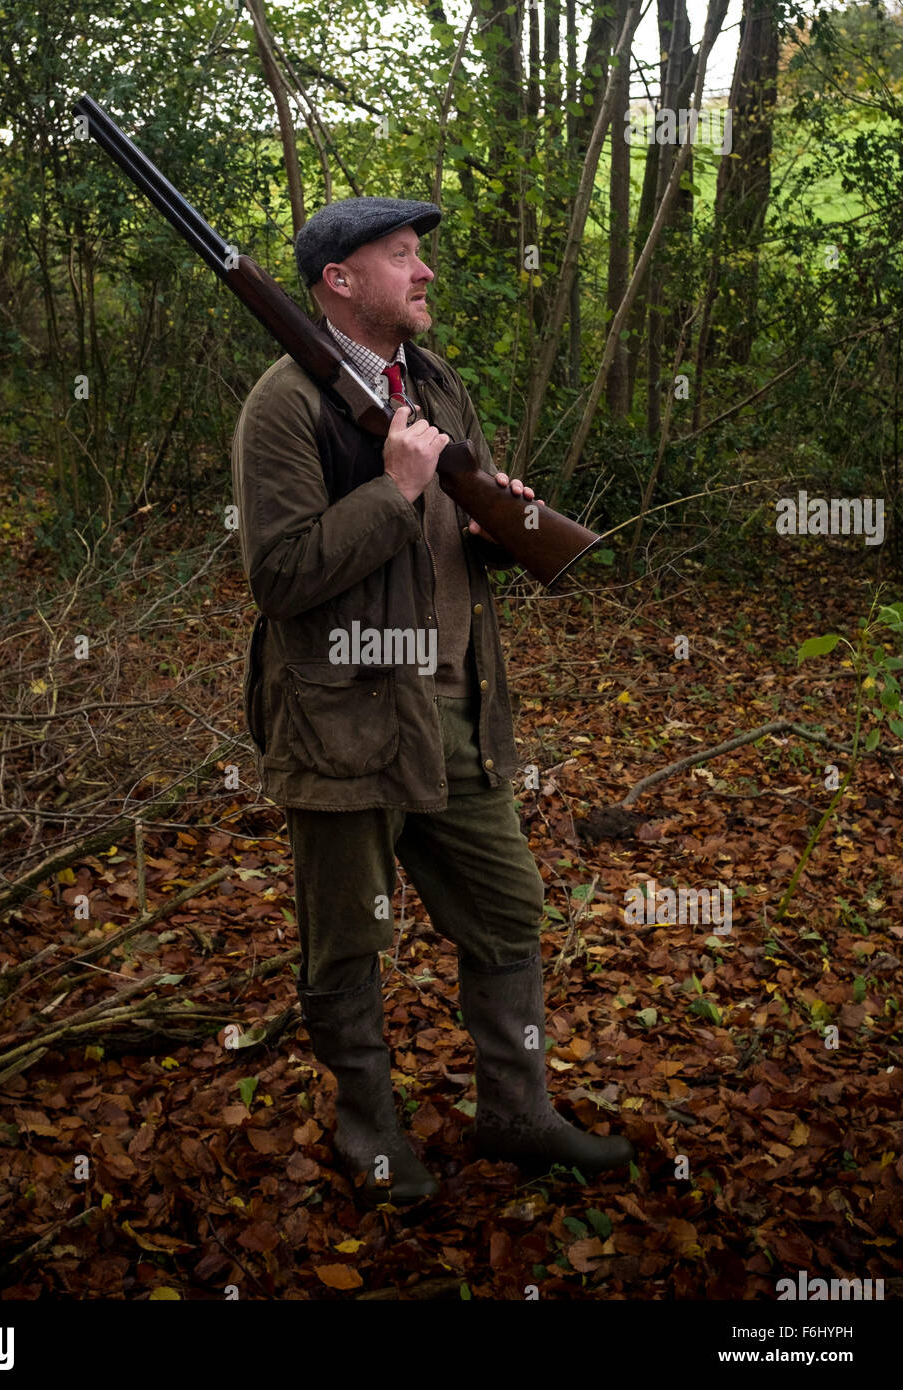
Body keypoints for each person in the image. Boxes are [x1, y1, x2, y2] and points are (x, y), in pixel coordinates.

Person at [231, 196, 632, 1204]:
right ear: (338, 281)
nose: (424, 274)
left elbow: (455, 530)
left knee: (507, 911)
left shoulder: (434, 382)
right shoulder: (282, 405)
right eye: (400, 257)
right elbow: (278, 575)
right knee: (350, 938)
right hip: (341, 723)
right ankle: (368, 1133)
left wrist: (496, 525)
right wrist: (393, 489)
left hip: (454, 707)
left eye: (420, 256)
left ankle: (515, 1113)